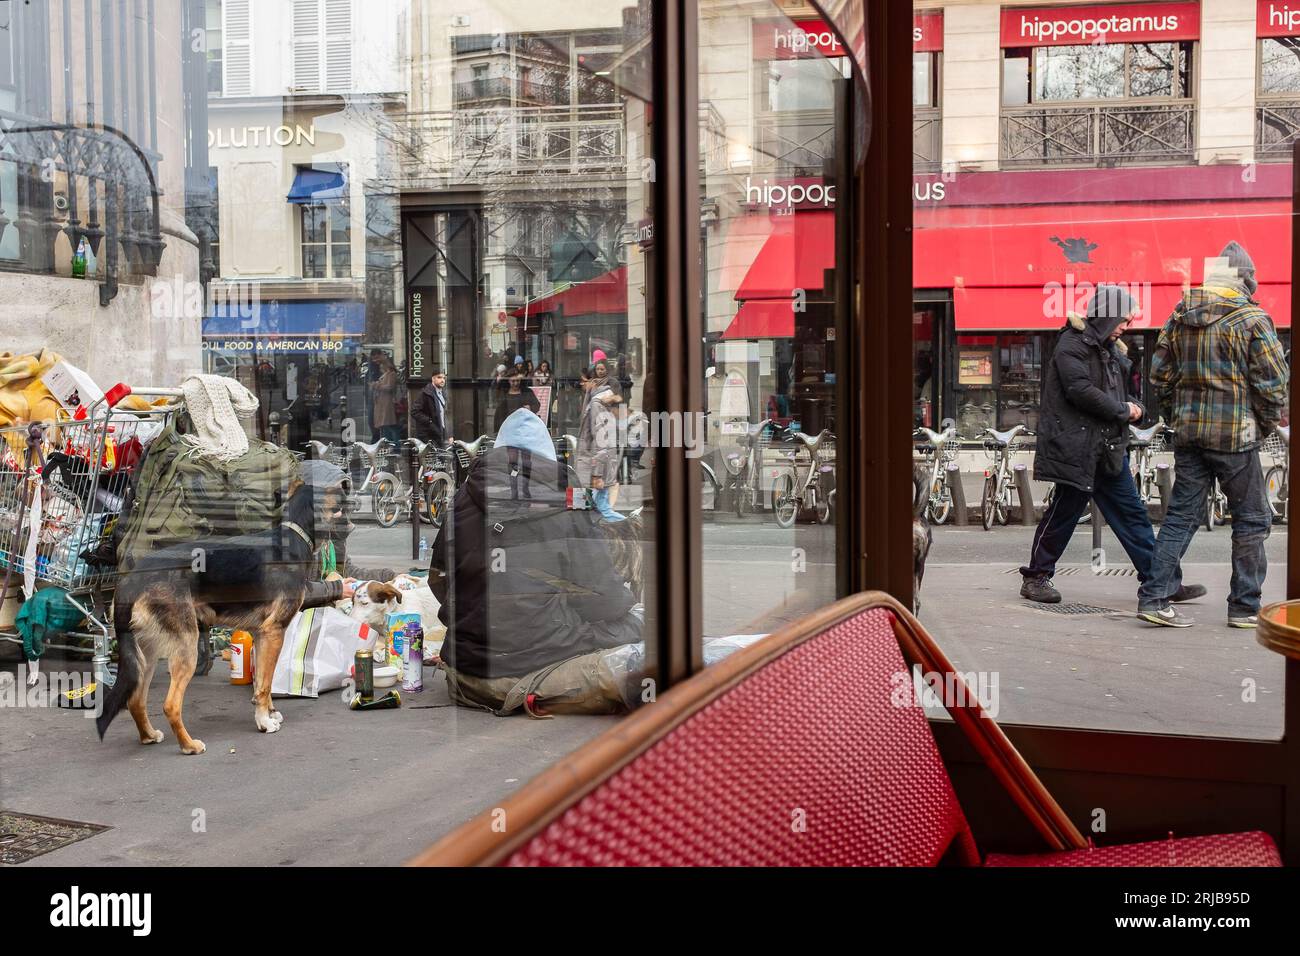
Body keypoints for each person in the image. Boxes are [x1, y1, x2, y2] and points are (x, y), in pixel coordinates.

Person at [428, 407, 645, 715]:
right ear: (546, 455)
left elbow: (438, 581)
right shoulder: (571, 498)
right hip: (540, 658)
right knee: (637, 624)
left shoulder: (462, 498)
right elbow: (604, 601)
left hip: (467, 667)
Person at [1021, 285, 1205, 607]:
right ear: (1107, 316)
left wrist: (1135, 408)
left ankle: (1160, 581)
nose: (1126, 326)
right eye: (1123, 319)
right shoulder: (1071, 344)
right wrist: (1124, 410)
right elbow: (1080, 390)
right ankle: (1035, 577)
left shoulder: (1111, 350)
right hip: (1077, 450)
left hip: (1106, 449)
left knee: (1134, 516)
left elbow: (1121, 393)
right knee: (1064, 512)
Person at [1137, 242, 1290, 628]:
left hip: (1190, 437)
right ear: (1244, 279)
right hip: (1236, 438)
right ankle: (1244, 606)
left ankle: (1153, 599)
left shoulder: (1179, 316)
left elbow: (1160, 378)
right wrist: (1265, 424)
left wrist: (1179, 417)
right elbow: (1273, 385)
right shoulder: (1253, 320)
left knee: (1180, 518)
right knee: (1252, 520)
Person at [577, 360, 625, 521]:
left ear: (592, 382)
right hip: (599, 463)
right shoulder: (596, 401)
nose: (581, 385)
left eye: (584, 382)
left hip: (597, 464)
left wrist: (597, 474)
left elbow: (601, 439)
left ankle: (626, 524)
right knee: (599, 507)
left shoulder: (596, 404)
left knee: (599, 509)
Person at [494, 364, 541, 499]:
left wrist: (530, 407)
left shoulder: (526, 392)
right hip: (511, 433)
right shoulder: (504, 394)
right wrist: (499, 431)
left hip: (525, 432)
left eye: (517, 380)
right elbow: (499, 413)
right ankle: (514, 490)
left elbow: (537, 405)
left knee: (526, 462)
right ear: (508, 381)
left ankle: (525, 488)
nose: (515, 383)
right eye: (512, 381)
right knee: (513, 461)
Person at [412, 369, 451, 448]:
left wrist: (449, 434)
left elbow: (445, 415)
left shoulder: (443, 393)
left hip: (439, 432)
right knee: (431, 458)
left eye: (444, 378)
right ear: (433, 379)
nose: (442, 380)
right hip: (428, 434)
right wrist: (429, 421)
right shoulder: (425, 393)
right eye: (439, 377)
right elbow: (414, 411)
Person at [369, 350, 400, 445]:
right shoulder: (385, 374)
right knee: (386, 426)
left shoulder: (391, 374)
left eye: (382, 366)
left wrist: (376, 385)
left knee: (389, 426)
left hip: (387, 403)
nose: (380, 367)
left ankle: (395, 447)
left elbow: (389, 387)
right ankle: (389, 446)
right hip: (382, 403)